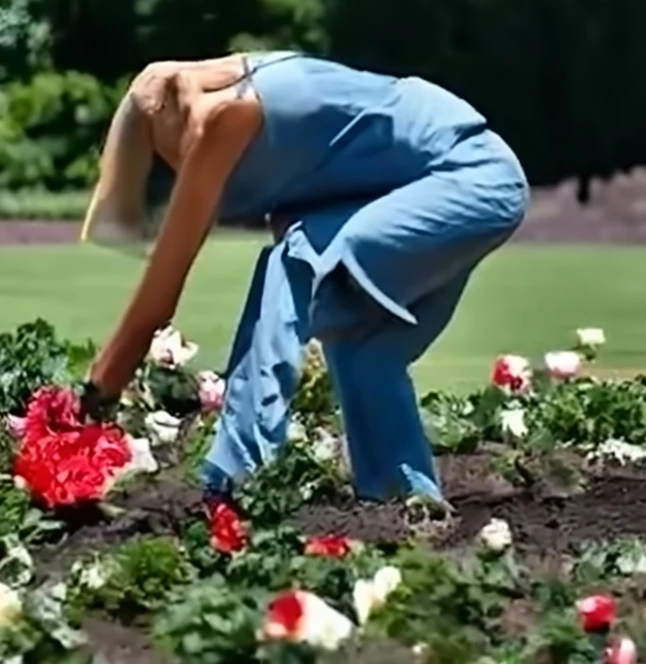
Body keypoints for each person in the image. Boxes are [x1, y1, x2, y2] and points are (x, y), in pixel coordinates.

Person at [79, 52, 529, 505]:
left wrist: (95, 398)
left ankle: (236, 480)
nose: (174, 171)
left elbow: (159, 297)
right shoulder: (250, 79)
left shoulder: (226, 118)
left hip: (470, 178)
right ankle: (405, 500)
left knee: (296, 261)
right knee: (364, 349)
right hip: (456, 183)